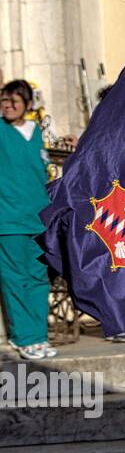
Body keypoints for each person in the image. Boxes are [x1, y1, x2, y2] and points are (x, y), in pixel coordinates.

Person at [0, 79, 55, 360]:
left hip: (37, 218)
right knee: (14, 279)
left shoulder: (36, 133)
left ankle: (39, 335)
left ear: (28, 105)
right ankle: (25, 337)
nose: (7, 106)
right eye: (4, 101)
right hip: (8, 221)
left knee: (37, 278)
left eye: (14, 102)